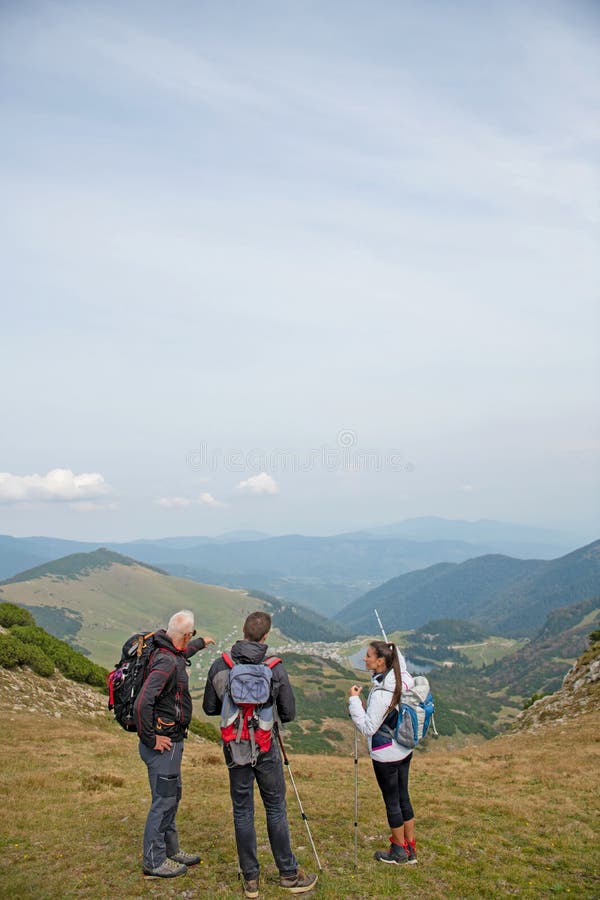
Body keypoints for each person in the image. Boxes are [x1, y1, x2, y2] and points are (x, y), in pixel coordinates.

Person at [203, 610, 318, 898]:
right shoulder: (275, 668)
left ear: (243, 631)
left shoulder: (221, 664)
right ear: (266, 636)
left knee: (243, 810)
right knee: (275, 808)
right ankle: (289, 874)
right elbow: (289, 713)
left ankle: (251, 880)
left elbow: (208, 708)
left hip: (235, 746)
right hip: (266, 745)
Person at [134, 609, 215, 878]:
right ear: (184, 634)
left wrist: (200, 643)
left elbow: (182, 653)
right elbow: (142, 702)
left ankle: (171, 849)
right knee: (164, 799)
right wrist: (150, 738)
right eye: (190, 636)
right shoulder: (166, 662)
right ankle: (154, 861)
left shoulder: (169, 648)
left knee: (172, 795)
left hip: (172, 742)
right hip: (163, 744)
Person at [348, 640, 418, 865]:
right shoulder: (400, 678)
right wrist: (392, 648)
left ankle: (398, 851)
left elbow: (369, 727)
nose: (365, 659)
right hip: (404, 748)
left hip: (385, 754)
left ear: (380, 661)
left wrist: (353, 701)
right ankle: (410, 847)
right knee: (403, 796)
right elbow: (400, 661)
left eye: (368, 656)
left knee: (392, 802)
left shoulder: (382, 694)